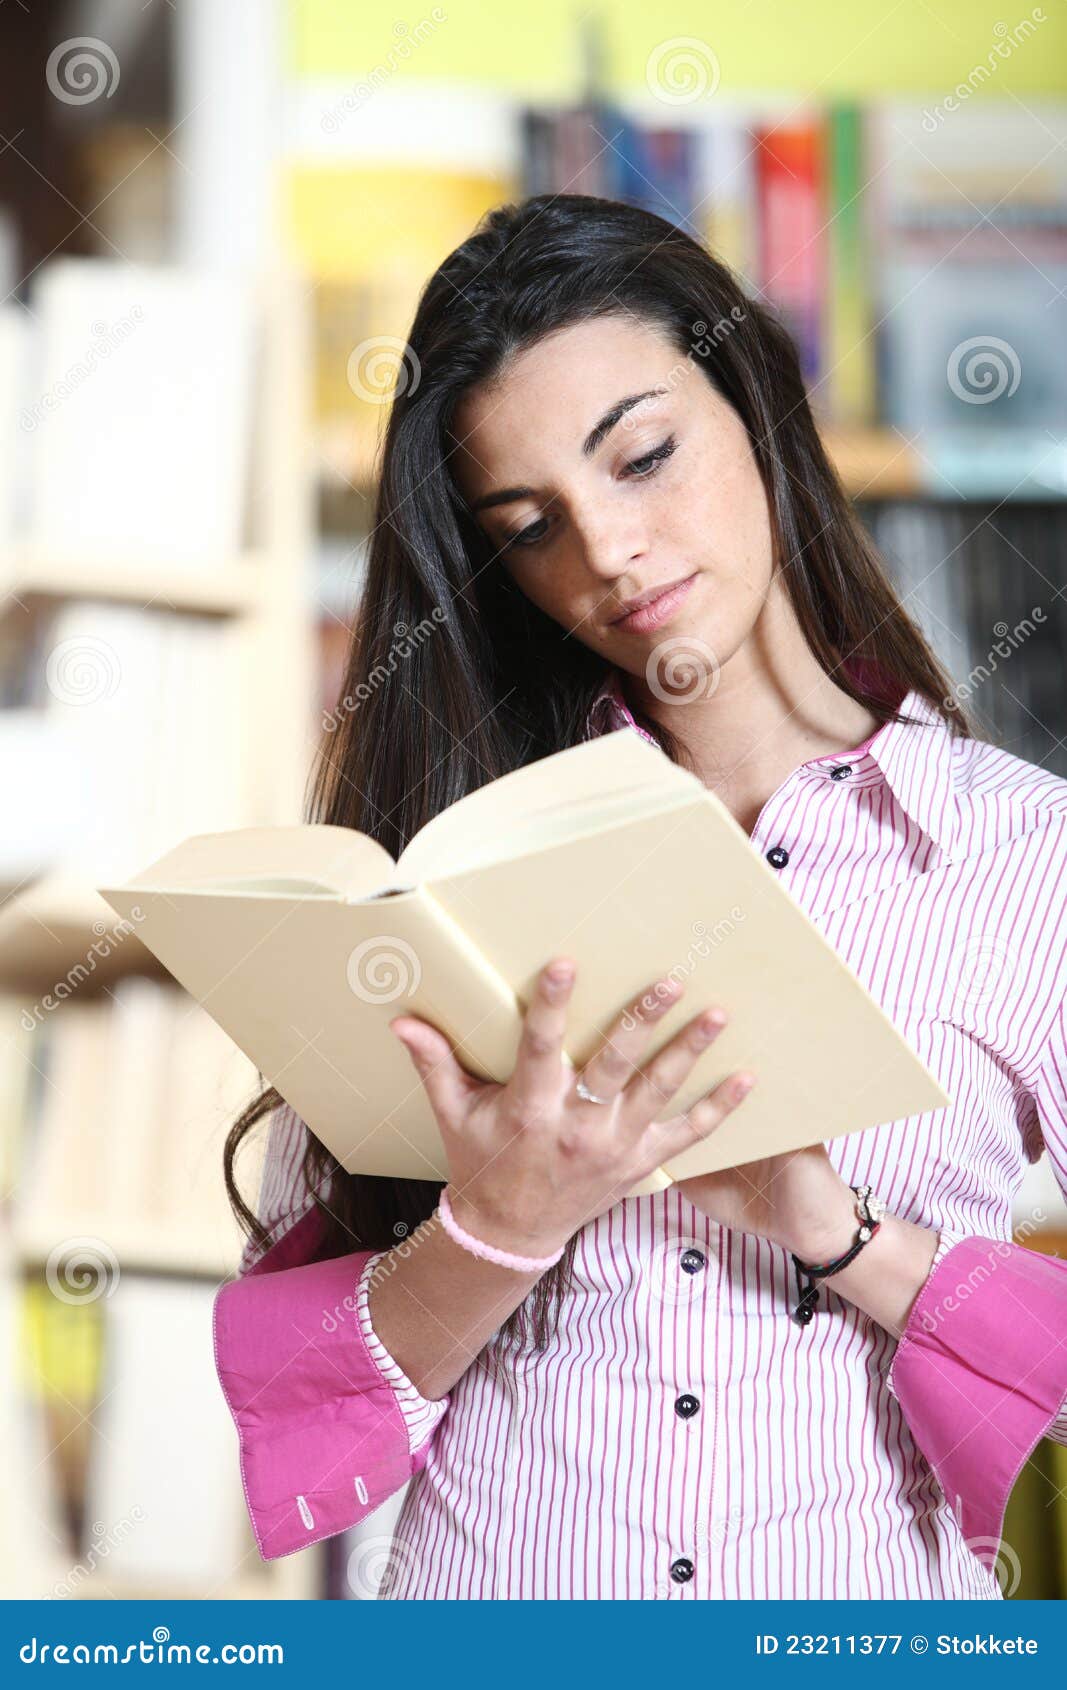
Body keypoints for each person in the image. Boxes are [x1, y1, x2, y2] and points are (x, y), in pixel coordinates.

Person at [215, 194, 1067, 1600]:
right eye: (531, 523)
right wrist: (499, 1222)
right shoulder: (453, 872)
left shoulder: (1023, 859)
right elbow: (313, 1422)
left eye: (645, 457)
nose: (607, 551)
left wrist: (842, 1236)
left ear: (756, 401)